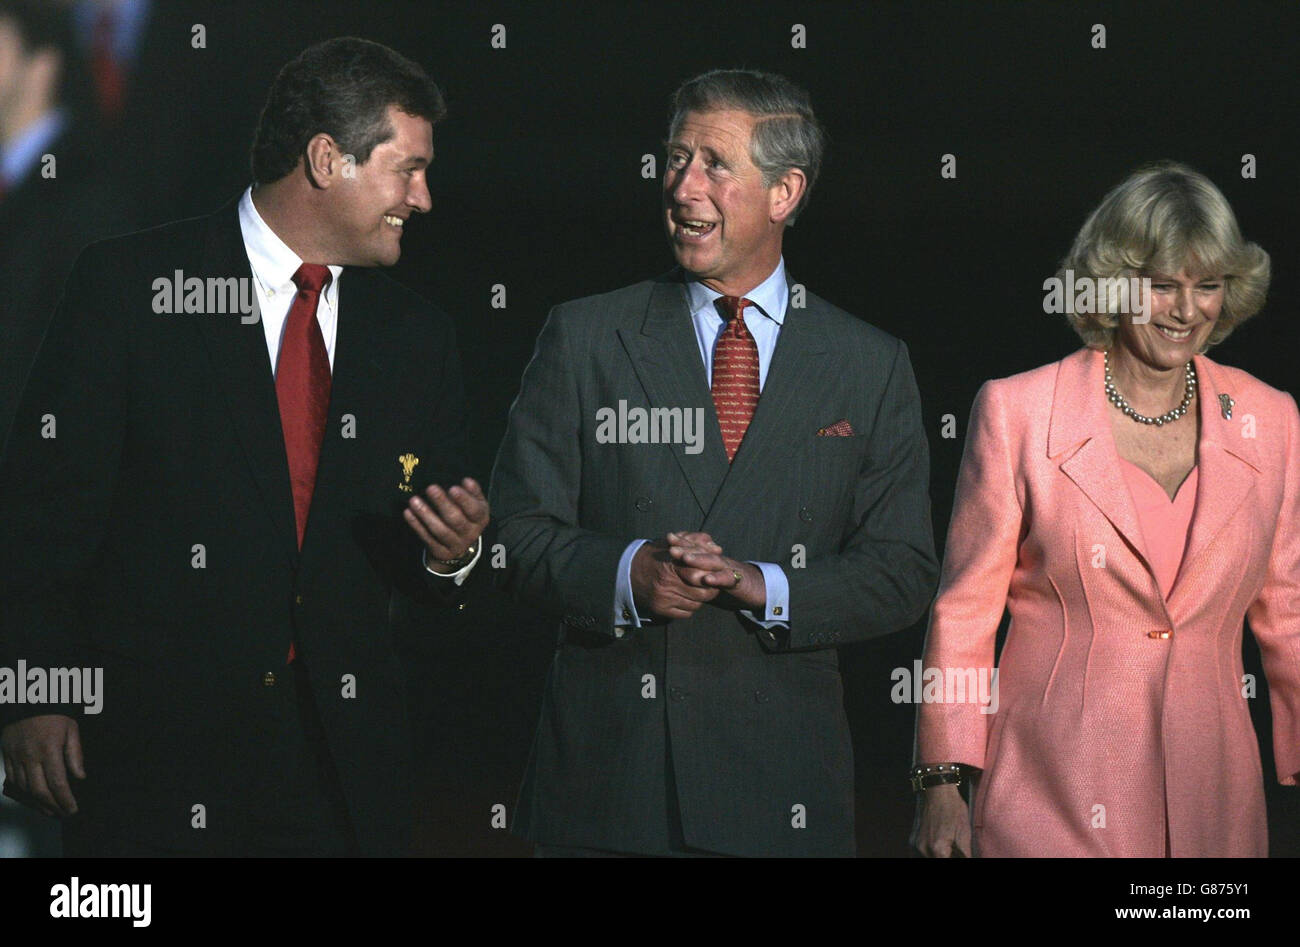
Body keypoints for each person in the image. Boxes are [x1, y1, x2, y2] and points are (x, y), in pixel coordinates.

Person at [0, 37, 488, 856]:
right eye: (406, 169)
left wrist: (453, 556)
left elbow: (426, 562)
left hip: (337, 776)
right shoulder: (129, 289)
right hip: (152, 767)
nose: (425, 198)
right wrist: (30, 693)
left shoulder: (417, 339)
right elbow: (41, 516)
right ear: (328, 158)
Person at [490, 69, 938, 857]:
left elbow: (902, 569)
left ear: (786, 192)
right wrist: (629, 572)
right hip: (607, 795)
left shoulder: (870, 364)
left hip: (781, 797)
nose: (681, 185)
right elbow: (515, 537)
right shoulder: (585, 337)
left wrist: (760, 584)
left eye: (714, 164)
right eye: (674, 158)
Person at [912, 161, 1297, 857]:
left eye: (1207, 286)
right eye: (1161, 286)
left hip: (1213, 802)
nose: (1186, 310)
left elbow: (1289, 613)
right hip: (1048, 793)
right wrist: (941, 780)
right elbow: (964, 612)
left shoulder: (1269, 419)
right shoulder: (1019, 410)